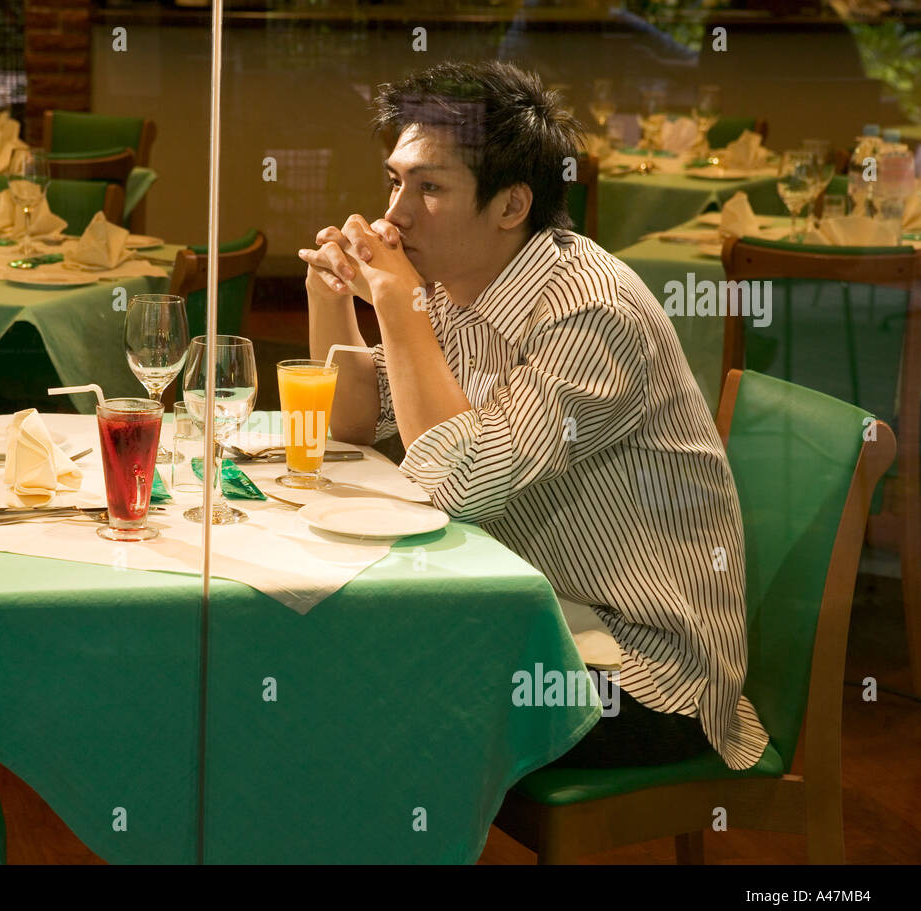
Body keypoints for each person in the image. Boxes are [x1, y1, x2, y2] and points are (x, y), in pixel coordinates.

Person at [299, 60, 769, 770]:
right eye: (396, 181)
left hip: (638, 671)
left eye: (429, 188)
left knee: (364, 697)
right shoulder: (458, 286)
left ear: (512, 206)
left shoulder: (589, 311)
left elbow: (457, 483)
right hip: (535, 619)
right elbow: (353, 428)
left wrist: (398, 305)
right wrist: (332, 298)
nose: (394, 214)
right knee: (325, 664)